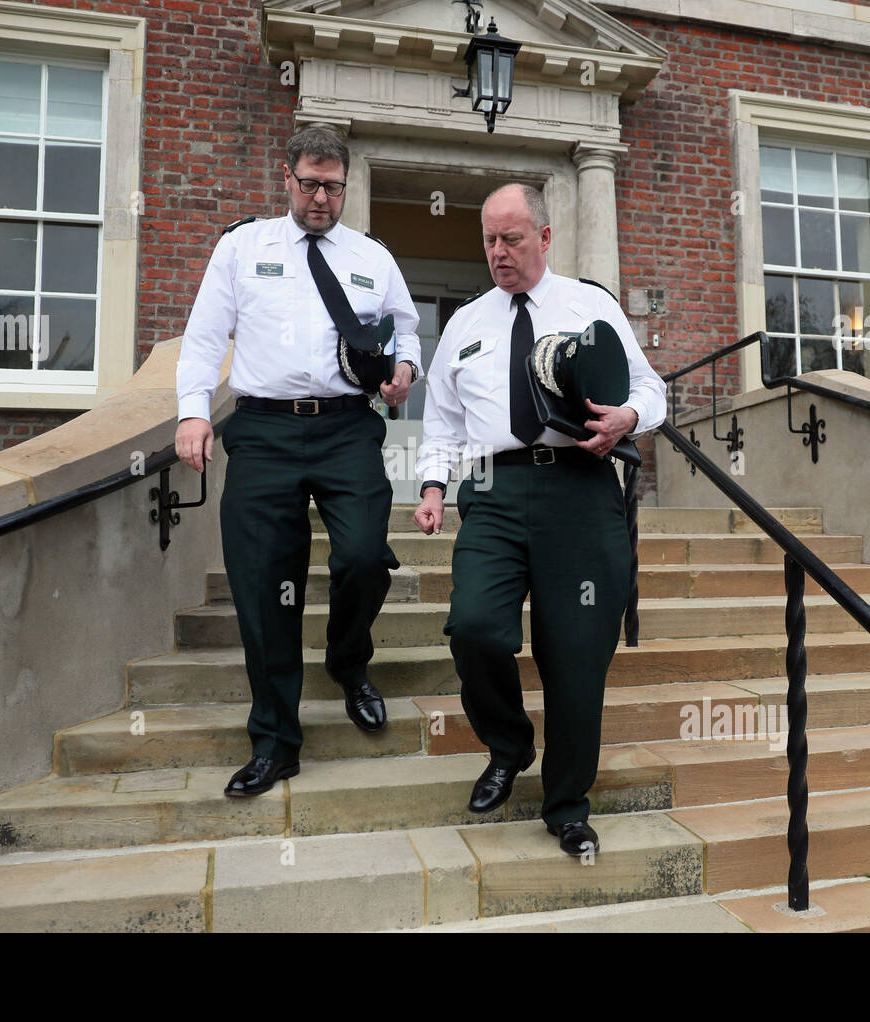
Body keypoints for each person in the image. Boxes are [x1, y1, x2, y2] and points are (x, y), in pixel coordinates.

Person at [412, 183, 666, 856]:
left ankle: (568, 805)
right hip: (493, 492)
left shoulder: (590, 305)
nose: (498, 252)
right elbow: (440, 420)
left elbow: (649, 387)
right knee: (473, 626)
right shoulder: (465, 323)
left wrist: (628, 419)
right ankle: (509, 745)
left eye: (512, 239)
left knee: (577, 657)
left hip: (581, 491)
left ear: (545, 238)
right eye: (489, 240)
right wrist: (434, 486)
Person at [175, 125, 422, 797]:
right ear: (287, 178)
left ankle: (348, 661)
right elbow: (203, 336)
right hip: (262, 432)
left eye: (333, 187)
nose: (320, 198)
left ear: (347, 186)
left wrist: (404, 367)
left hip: (348, 430)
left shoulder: (371, 255)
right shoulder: (241, 247)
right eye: (309, 184)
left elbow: (406, 327)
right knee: (262, 592)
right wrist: (194, 410)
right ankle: (277, 742)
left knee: (367, 557)